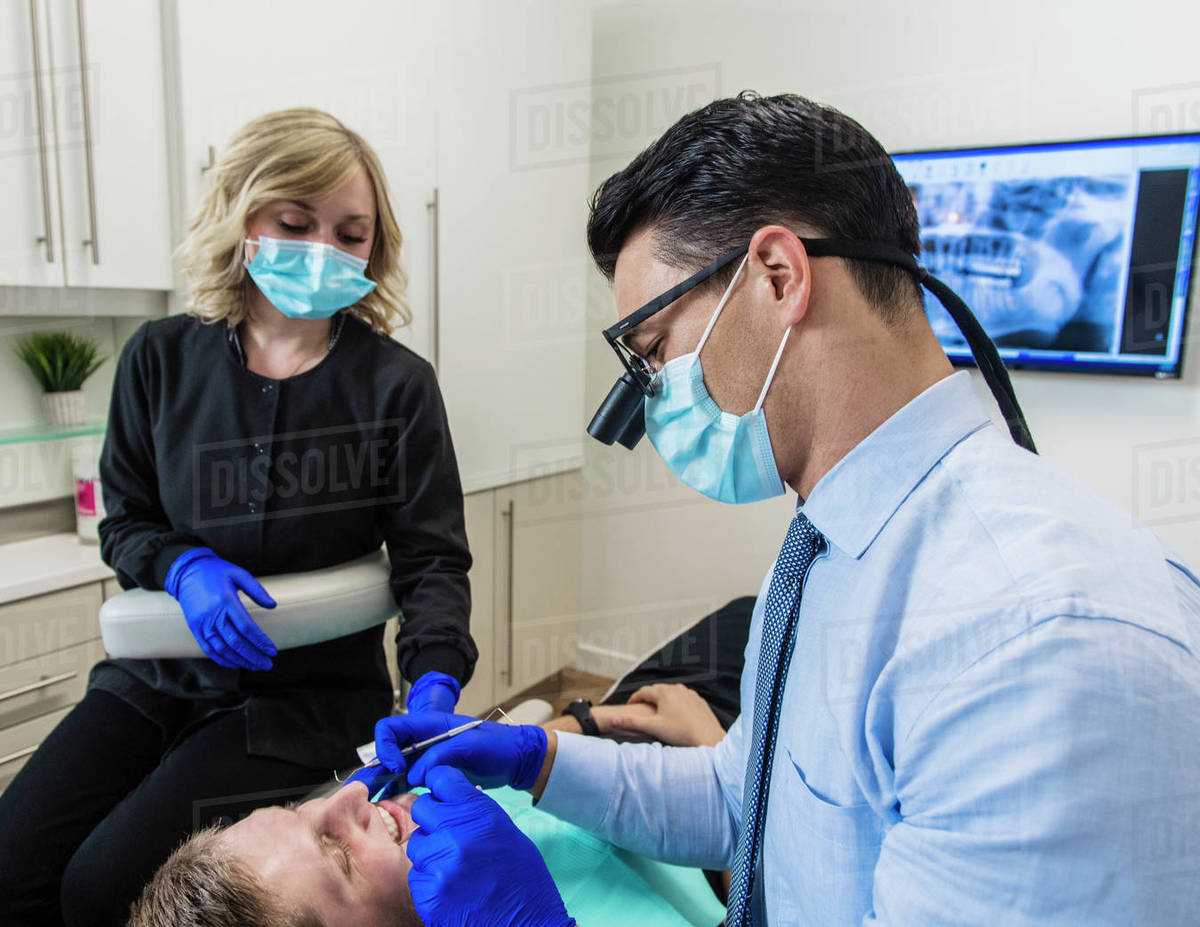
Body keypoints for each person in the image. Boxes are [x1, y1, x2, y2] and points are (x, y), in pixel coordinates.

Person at [362, 92, 1200, 926]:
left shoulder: (1036, 644)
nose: (652, 402)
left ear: (777, 277)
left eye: (655, 353)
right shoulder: (828, 542)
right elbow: (745, 799)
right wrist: (540, 758)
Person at [0, 108, 475, 927]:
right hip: (161, 676)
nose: (325, 249)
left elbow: (431, 560)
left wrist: (433, 677)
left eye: (351, 233)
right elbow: (127, 524)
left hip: (306, 698)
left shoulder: (396, 385)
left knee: (99, 886)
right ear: (242, 219)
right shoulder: (158, 359)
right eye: (296, 222)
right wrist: (181, 566)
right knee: (12, 864)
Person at [126, 694, 734, 927]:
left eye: (298, 808)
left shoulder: (441, 832)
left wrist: (555, 738)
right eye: (336, 855)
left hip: (633, 733)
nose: (352, 795)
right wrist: (715, 746)